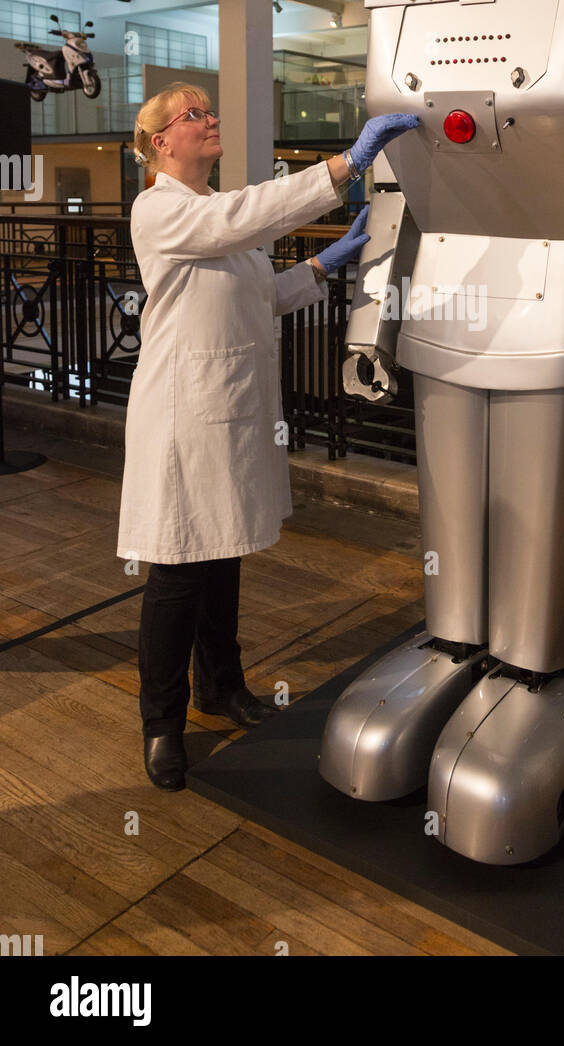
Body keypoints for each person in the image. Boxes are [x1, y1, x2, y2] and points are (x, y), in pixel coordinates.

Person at [116, 81, 417, 790]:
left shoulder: (215, 218)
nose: (210, 118)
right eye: (195, 114)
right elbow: (243, 217)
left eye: (209, 109)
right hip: (182, 419)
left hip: (228, 412)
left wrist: (323, 266)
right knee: (178, 571)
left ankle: (222, 689)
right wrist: (345, 165)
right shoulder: (161, 209)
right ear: (160, 142)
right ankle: (162, 724)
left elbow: (258, 294)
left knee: (224, 556)